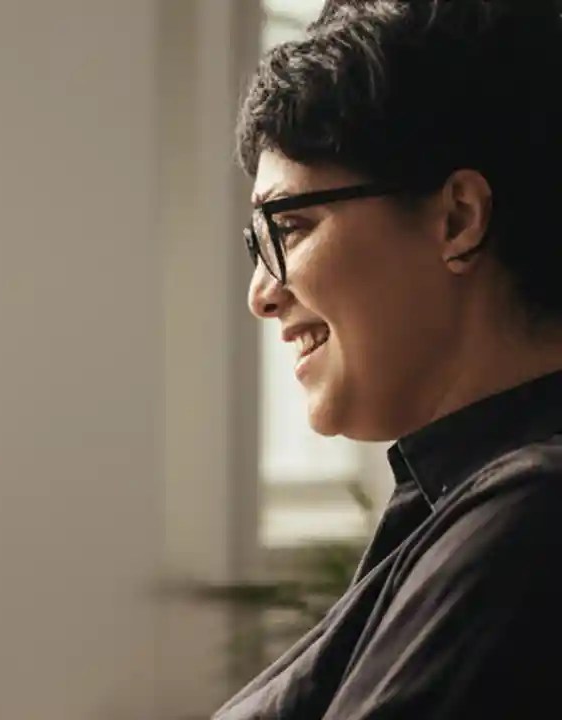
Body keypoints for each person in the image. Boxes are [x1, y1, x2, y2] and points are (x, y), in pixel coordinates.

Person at [217, 0, 562, 717]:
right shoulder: (458, 500)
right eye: (256, 246)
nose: (261, 294)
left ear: (458, 219)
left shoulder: (530, 520)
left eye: (291, 227)